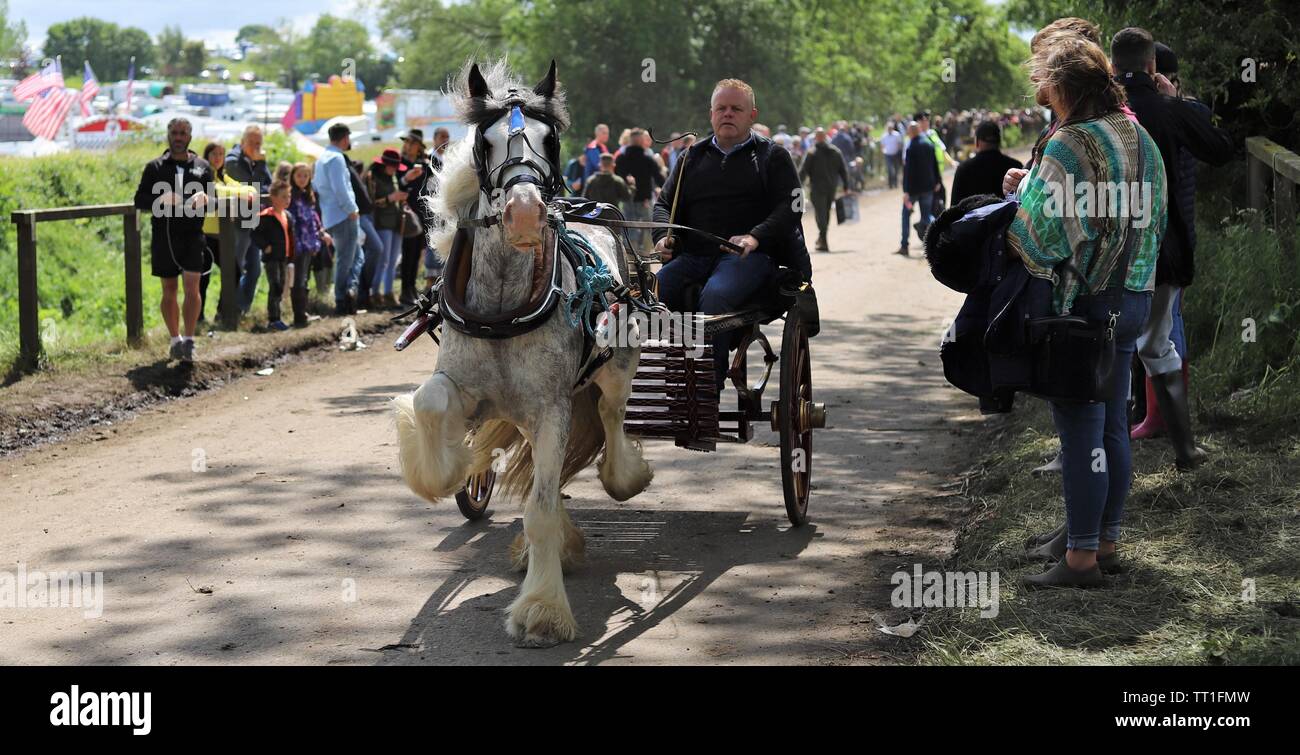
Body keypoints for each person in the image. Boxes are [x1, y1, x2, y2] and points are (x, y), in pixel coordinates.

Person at [1008, 35, 1167, 588]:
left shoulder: (1068, 144)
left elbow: (1034, 233)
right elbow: (1155, 218)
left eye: (1044, 85)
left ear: (1059, 87)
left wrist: (1015, 203)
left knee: (1080, 430)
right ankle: (1105, 539)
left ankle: (1079, 560)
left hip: (1083, 307)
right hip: (1136, 295)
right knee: (1114, 427)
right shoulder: (1139, 137)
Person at [652, 78, 804, 388]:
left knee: (717, 296)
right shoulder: (690, 157)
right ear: (711, 114)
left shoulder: (772, 157)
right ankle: (670, 379)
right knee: (653, 291)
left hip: (749, 258)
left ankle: (707, 384)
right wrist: (662, 236)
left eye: (736, 108)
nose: (728, 114)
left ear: (752, 115)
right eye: (721, 108)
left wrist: (755, 237)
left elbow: (792, 208)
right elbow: (664, 204)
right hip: (693, 255)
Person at [134, 118, 213, 362]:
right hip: (164, 236)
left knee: (193, 287)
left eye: (183, 133)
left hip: (192, 235)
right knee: (169, 290)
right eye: (174, 133)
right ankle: (175, 339)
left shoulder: (202, 166)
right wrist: (160, 200)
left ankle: (189, 340)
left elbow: (214, 199)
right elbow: (139, 200)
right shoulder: (155, 167)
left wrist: (205, 199)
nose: (178, 137)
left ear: (190, 136)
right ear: (168, 135)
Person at [199, 141, 256, 324]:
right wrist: (239, 193)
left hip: (221, 237)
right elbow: (215, 191)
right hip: (204, 235)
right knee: (203, 279)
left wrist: (243, 192)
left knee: (234, 272)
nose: (217, 158)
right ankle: (198, 319)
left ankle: (222, 313)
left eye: (221, 154)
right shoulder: (201, 175)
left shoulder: (223, 176)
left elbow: (249, 189)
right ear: (206, 156)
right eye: (214, 154)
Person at [312, 123, 363, 315]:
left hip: (331, 215)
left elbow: (317, 187)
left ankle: (349, 291)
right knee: (346, 259)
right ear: (344, 138)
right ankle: (342, 298)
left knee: (354, 256)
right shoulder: (336, 158)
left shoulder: (322, 158)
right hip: (343, 214)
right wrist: (351, 209)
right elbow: (340, 188)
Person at [224, 125, 272, 315]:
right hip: (238, 222)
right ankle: (229, 310)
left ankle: (242, 308)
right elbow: (251, 187)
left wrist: (259, 164)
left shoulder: (258, 159)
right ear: (243, 142)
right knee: (237, 266)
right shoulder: (233, 161)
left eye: (259, 143)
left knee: (255, 270)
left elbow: (266, 186)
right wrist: (259, 165)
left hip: (255, 220)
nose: (256, 147)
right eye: (252, 143)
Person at [250, 180, 301, 330]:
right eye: (283, 197)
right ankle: (273, 319)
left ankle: (277, 316)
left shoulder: (288, 216)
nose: (287, 200)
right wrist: (265, 246)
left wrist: (292, 255)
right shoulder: (266, 216)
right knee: (275, 285)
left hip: (283, 257)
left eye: (289, 196)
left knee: (281, 286)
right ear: (273, 198)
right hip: (271, 258)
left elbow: (291, 237)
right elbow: (254, 233)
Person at [286, 162, 329, 326]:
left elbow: (314, 217)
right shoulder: (291, 196)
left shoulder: (308, 195)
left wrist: (321, 232)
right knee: (298, 279)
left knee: (303, 278)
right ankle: (299, 315)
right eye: (299, 175)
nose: (302, 179)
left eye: (306, 175)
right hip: (297, 244)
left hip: (309, 243)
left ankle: (303, 312)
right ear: (293, 176)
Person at [365, 148, 408, 308]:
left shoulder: (394, 178)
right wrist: (391, 198)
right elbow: (372, 203)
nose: (394, 168)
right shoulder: (373, 179)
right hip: (382, 224)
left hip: (396, 222)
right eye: (391, 165)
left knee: (392, 261)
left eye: (396, 166)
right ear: (383, 164)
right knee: (383, 260)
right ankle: (375, 293)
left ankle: (388, 293)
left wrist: (400, 199)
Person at [798, 126, 850, 252]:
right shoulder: (835, 151)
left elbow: (803, 171)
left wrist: (796, 185)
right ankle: (822, 238)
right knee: (825, 213)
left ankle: (823, 239)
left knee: (821, 214)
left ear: (816, 137)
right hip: (831, 188)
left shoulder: (812, 152)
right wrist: (846, 186)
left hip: (817, 189)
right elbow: (843, 170)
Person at [397, 129, 433, 305]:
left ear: (419, 147)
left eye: (412, 143)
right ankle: (405, 290)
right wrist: (406, 177)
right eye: (407, 142)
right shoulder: (400, 164)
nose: (408, 146)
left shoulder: (424, 164)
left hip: (421, 214)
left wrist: (427, 162)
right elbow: (398, 184)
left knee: (416, 253)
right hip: (406, 215)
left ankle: (411, 288)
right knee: (408, 253)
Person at [614, 128, 665, 251]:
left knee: (629, 228)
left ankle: (632, 258)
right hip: (645, 201)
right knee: (647, 228)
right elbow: (659, 179)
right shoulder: (648, 159)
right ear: (642, 141)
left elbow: (616, 177)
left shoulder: (621, 159)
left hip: (627, 200)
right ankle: (646, 257)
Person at [950, 121, 1023, 205]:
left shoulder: (964, 169)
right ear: (999, 141)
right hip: (1010, 218)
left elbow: (954, 208)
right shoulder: (1015, 167)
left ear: (977, 142)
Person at [899, 121, 938, 256]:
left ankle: (904, 245)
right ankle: (938, 238)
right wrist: (937, 181)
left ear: (912, 132)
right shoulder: (928, 144)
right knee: (927, 216)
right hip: (928, 187)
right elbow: (935, 165)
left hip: (913, 190)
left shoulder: (911, 147)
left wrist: (906, 191)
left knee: (905, 214)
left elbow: (908, 171)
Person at [880, 121, 904, 189]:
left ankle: (895, 184)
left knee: (896, 169)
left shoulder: (897, 134)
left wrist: (898, 151)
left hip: (895, 154)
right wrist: (883, 151)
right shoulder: (884, 136)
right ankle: (890, 184)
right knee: (890, 169)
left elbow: (899, 144)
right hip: (888, 155)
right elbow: (882, 145)